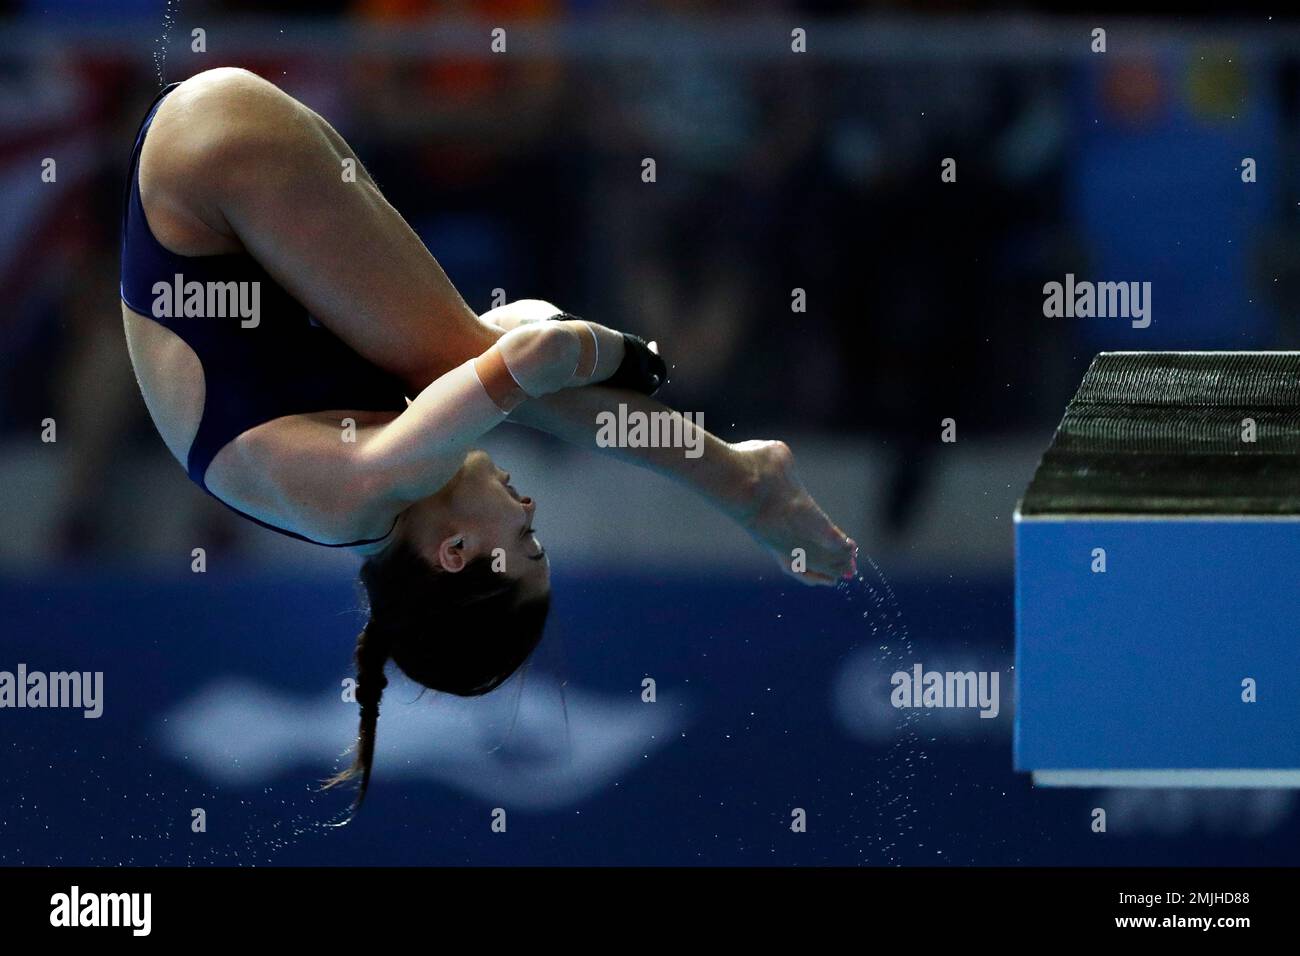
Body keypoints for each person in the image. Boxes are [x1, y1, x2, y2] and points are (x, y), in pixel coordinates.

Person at [119, 68, 857, 809]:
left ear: (455, 553)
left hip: (210, 163)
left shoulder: (366, 486)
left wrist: (638, 358)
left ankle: (743, 484)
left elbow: (537, 354)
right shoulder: (367, 494)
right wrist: (545, 358)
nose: (530, 506)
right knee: (475, 369)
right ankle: (742, 483)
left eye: (528, 543)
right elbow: (520, 330)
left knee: (471, 363)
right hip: (212, 167)